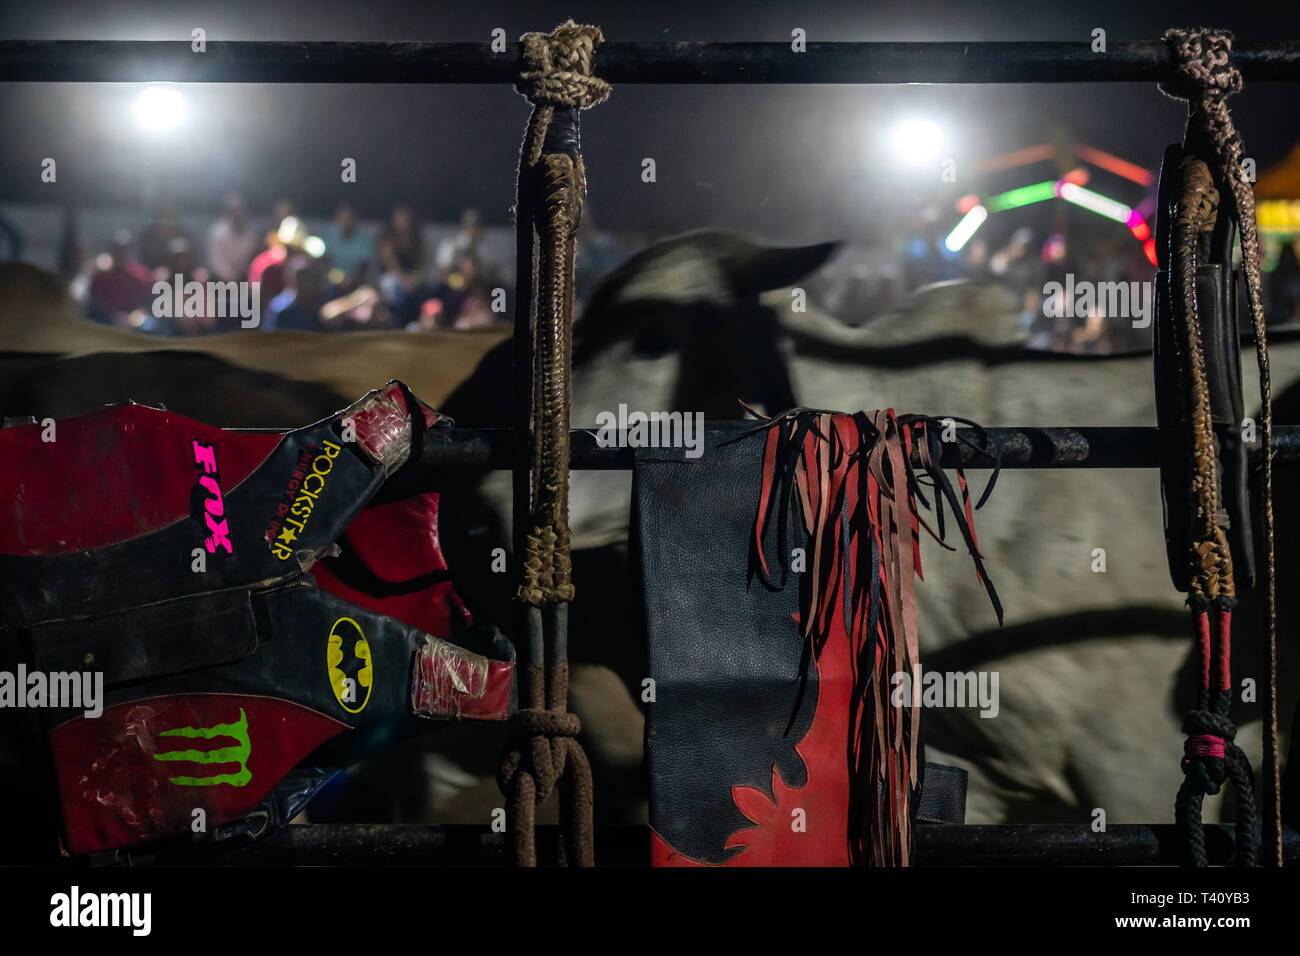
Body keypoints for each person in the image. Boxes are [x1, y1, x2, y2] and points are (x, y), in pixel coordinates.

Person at [87, 230, 153, 327]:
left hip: (136, 321)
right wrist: (114, 316)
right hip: (107, 320)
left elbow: (147, 303)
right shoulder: (101, 276)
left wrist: (132, 319)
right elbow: (95, 303)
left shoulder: (142, 274)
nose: (121, 254)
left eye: (125, 250)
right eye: (117, 250)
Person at [265, 259, 331, 332]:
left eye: (312, 280)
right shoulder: (279, 309)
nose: (308, 286)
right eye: (305, 280)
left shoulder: (322, 309)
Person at [323, 202, 374, 293]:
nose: (346, 222)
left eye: (349, 219)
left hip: (357, 284)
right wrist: (339, 279)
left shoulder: (364, 240)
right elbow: (326, 264)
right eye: (343, 219)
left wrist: (351, 281)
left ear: (355, 220)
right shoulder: (330, 236)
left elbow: (364, 268)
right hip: (333, 283)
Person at [207, 192, 258, 283]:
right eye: (233, 211)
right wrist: (234, 279)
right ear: (228, 212)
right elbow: (217, 263)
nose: (237, 214)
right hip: (222, 281)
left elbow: (253, 259)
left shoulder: (251, 233)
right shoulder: (218, 233)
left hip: (245, 279)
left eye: (240, 210)